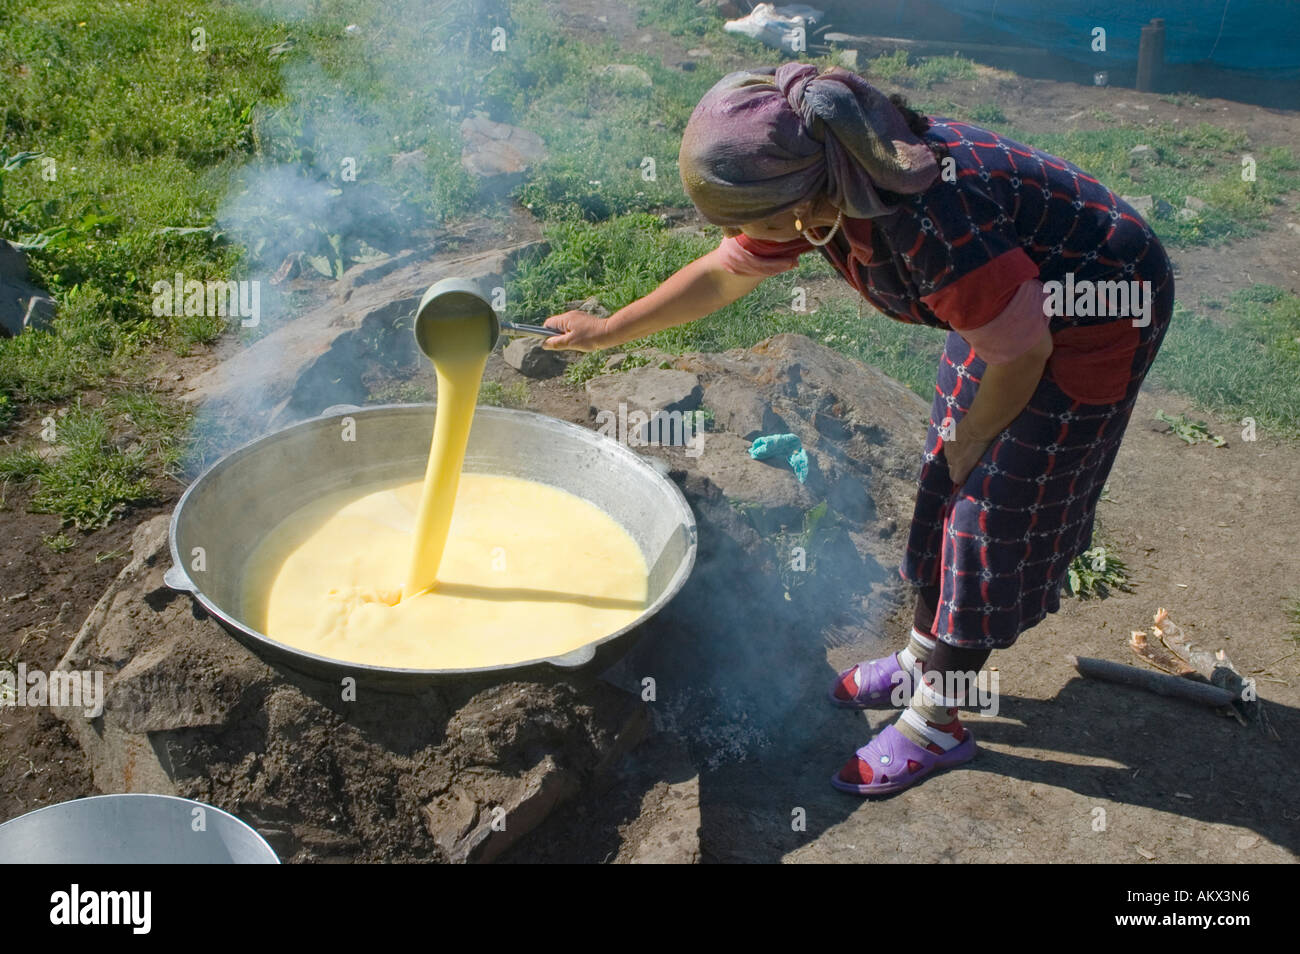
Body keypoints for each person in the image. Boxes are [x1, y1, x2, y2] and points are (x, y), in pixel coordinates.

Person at [541, 62, 1174, 795]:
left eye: (748, 220)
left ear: (801, 198)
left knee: (991, 517)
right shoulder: (827, 182)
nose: (743, 237)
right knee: (947, 477)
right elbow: (723, 275)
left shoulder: (927, 219)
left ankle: (940, 722)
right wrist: (608, 328)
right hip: (1013, 312)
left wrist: (971, 447)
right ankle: (920, 661)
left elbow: (1026, 350)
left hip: (1095, 309)